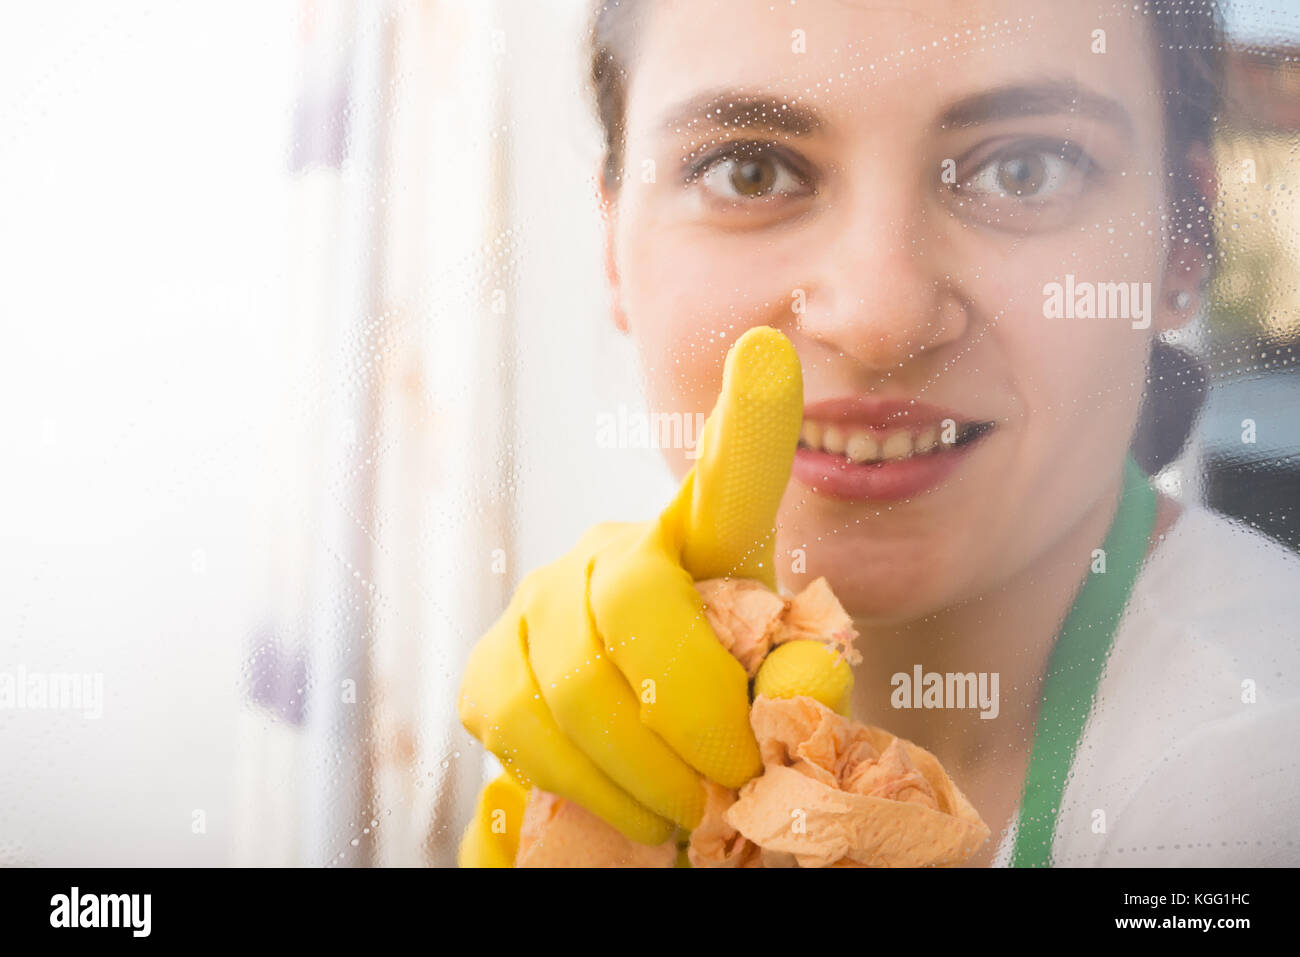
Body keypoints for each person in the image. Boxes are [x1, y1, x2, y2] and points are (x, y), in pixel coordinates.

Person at [458, 0, 1300, 866]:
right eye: (749, 170)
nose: (880, 318)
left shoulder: (1262, 778)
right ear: (611, 245)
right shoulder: (586, 742)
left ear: (1184, 246)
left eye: (1024, 170)